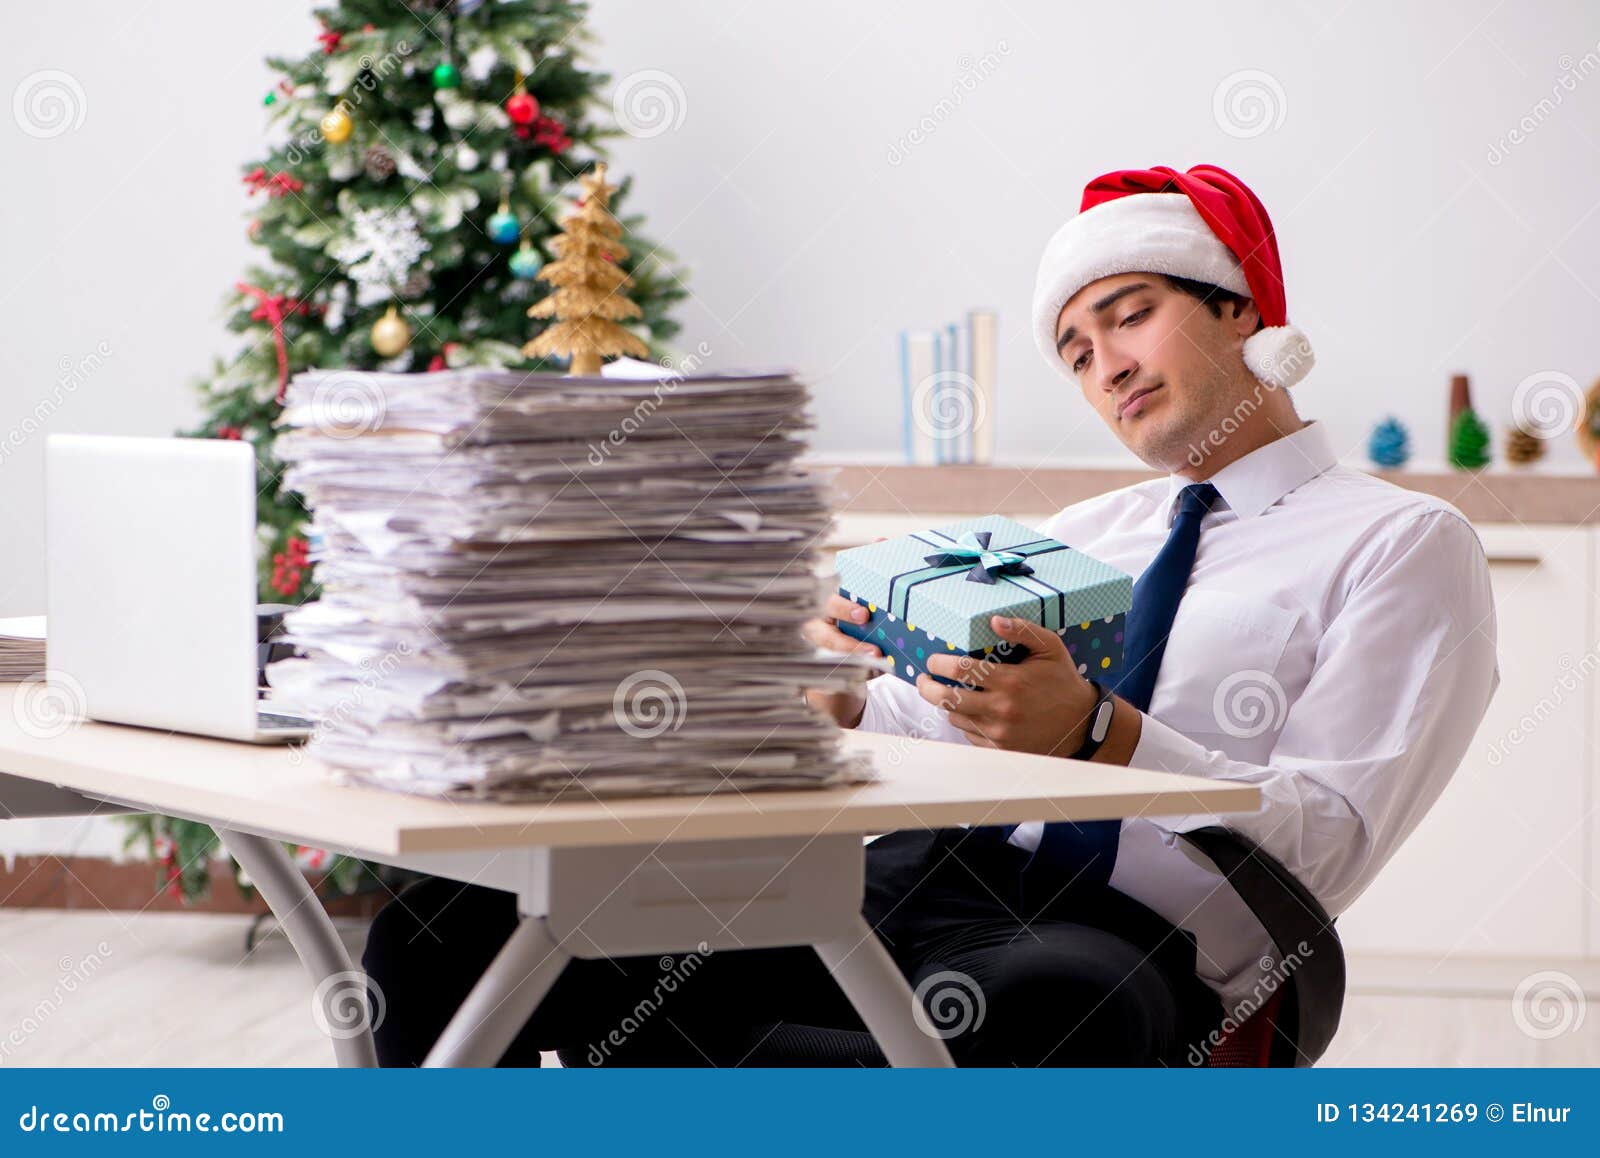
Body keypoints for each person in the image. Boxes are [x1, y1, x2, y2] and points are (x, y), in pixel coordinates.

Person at [361, 163, 1500, 1067]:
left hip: (1102, 938)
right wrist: (854, 694)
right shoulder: (1089, 529)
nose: (1103, 364)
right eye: (1074, 350)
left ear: (1240, 307)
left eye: (1128, 316)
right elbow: (949, 715)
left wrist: (1099, 734)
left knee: (1055, 1011)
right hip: (902, 879)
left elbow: (1330, 840)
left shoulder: (1398, 543)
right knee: (445, 919)